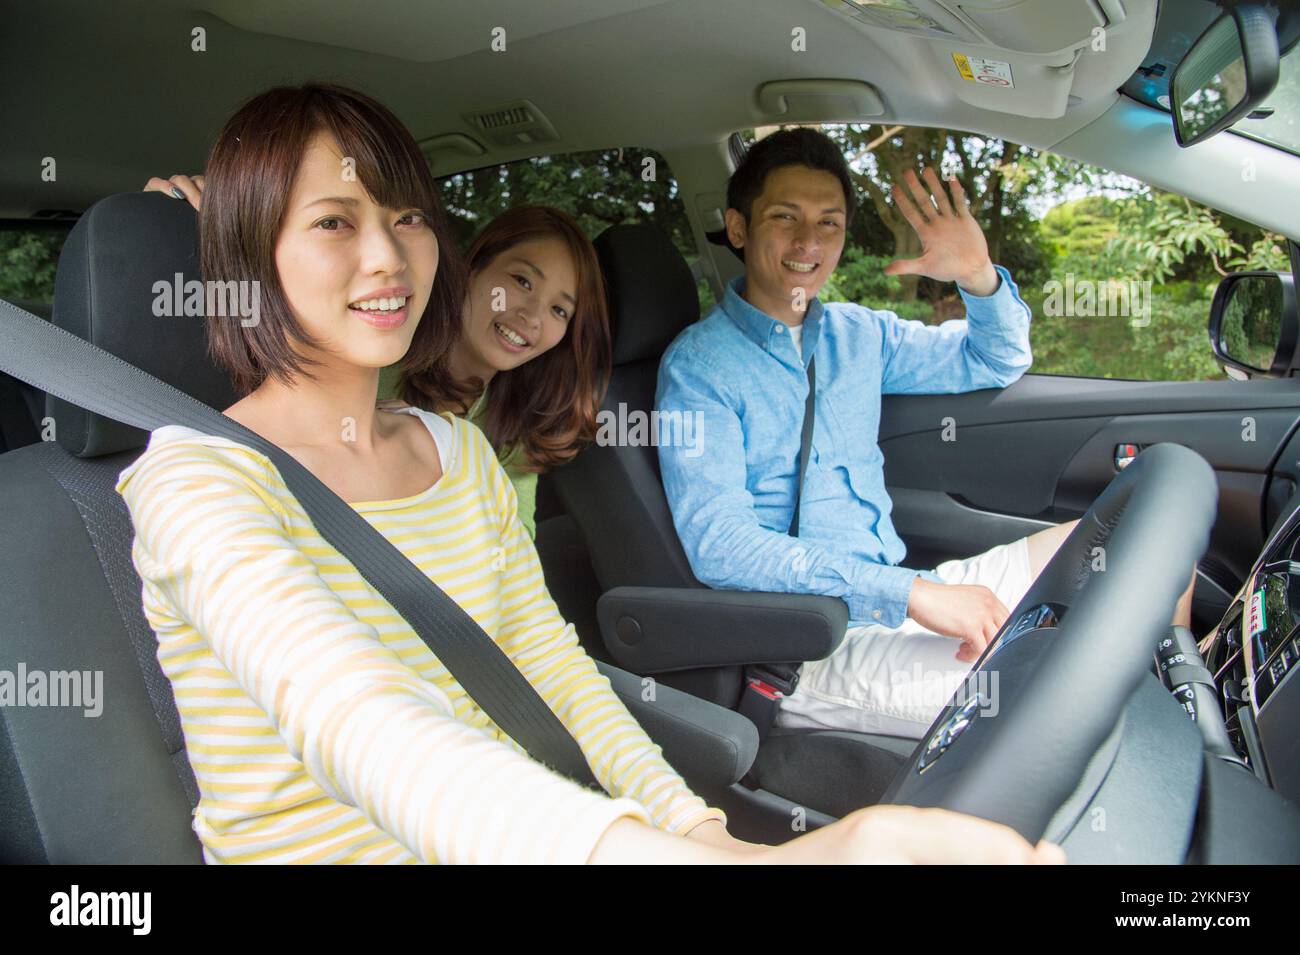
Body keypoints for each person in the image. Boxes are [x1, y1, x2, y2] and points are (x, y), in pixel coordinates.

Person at [122, 82, 1065, 863]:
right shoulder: (198, 482)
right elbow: (363, 728)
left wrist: (711, 833)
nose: (386, 253)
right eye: (333, 222)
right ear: (250, 253)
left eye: (406, 216)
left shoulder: (456, 454)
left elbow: (555, 671)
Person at [656, 127, 1195, 740]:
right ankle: (1166, 766)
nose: (808, 241)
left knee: (1152, 534)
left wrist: (977, 275)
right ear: (738, 227)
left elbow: (994, 360)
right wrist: (909, 593)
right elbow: (721, 545)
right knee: (1081, 696)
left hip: (908, 596)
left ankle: (1194, 721)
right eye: (785, 217)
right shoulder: (698, 368)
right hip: (817, 642)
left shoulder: (857, 335)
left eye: (829, 223)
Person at [146, 178, 610, 540]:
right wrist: (213, 219)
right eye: (522, 282)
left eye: (559, 310)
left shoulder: (515, 416)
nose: (531, 316)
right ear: (471, 269)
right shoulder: (370, 345)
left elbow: (515, 549)